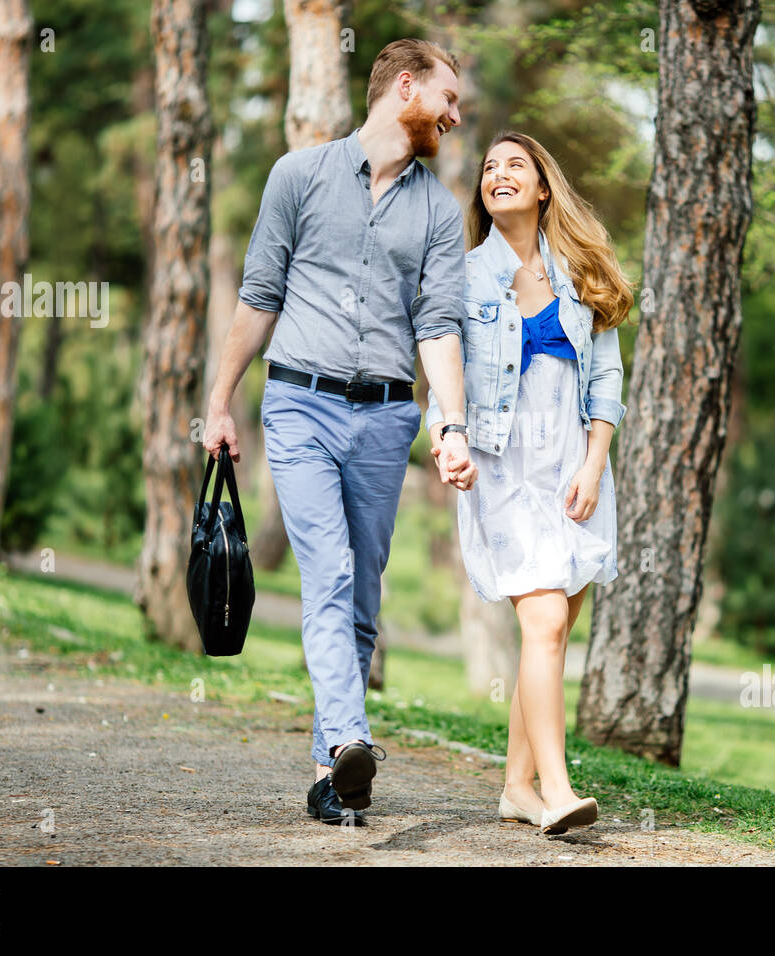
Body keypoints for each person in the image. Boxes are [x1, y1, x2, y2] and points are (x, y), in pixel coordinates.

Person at [202, 39, 478, 826]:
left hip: (389, 418)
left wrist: (450, 425)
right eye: (448, 100)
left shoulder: (436, 210)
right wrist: (220, 403)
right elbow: (258, 296)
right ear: (403, 87)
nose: (456, 118)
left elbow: (439, 327)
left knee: (361, 599)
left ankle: (332, 777)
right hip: (300, 407)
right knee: (326, 576)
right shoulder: (299, 175)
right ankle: (352, 739)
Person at [426, 131, 632, 835]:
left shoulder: (579, 271)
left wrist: (595, 463)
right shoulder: (461, 276)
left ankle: (516, 786)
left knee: (556, 629)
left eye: (516, 165)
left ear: (544, 187)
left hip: (571, 463)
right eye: (489, 167)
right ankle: (558, 790)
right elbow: (442, 372)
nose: (498, 174)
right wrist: (445, 437)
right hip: (501, 465)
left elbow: (606, 377)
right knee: (542, 621)